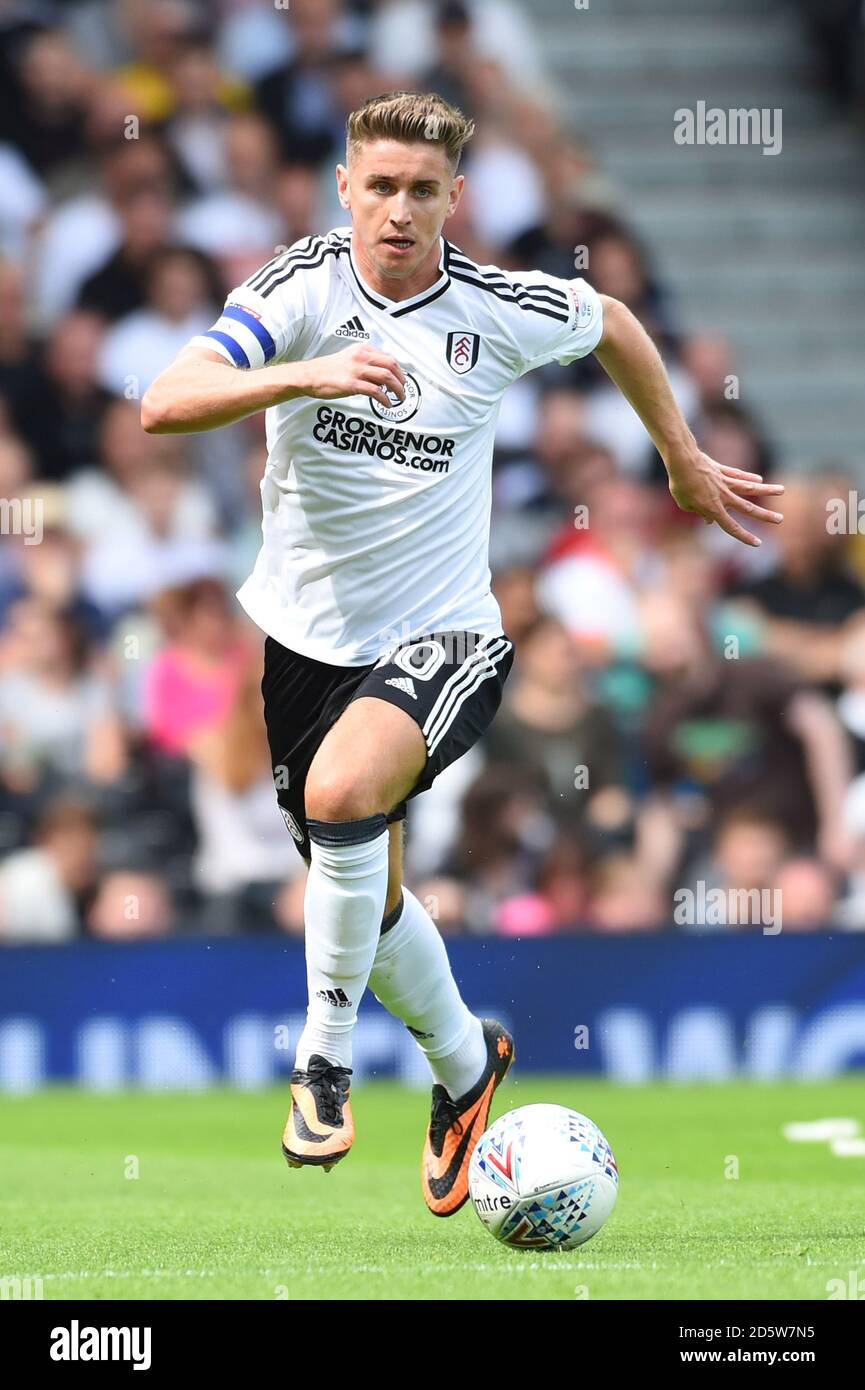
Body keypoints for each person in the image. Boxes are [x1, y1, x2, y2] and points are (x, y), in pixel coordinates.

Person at [141, 90, 783, 1215]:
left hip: (449, 638)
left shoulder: (493, 309)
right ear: (343, 188)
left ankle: (323, 1066)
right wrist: (302, 374)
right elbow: (164, 400)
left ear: (455, 200)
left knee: (344, 797)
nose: (397, 210)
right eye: (378, 186)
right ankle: (467, 1065)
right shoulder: (296, 290)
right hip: (302, 649)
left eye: (421, 191)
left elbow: (617, 322)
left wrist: (679, 458)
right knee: (371, 905)